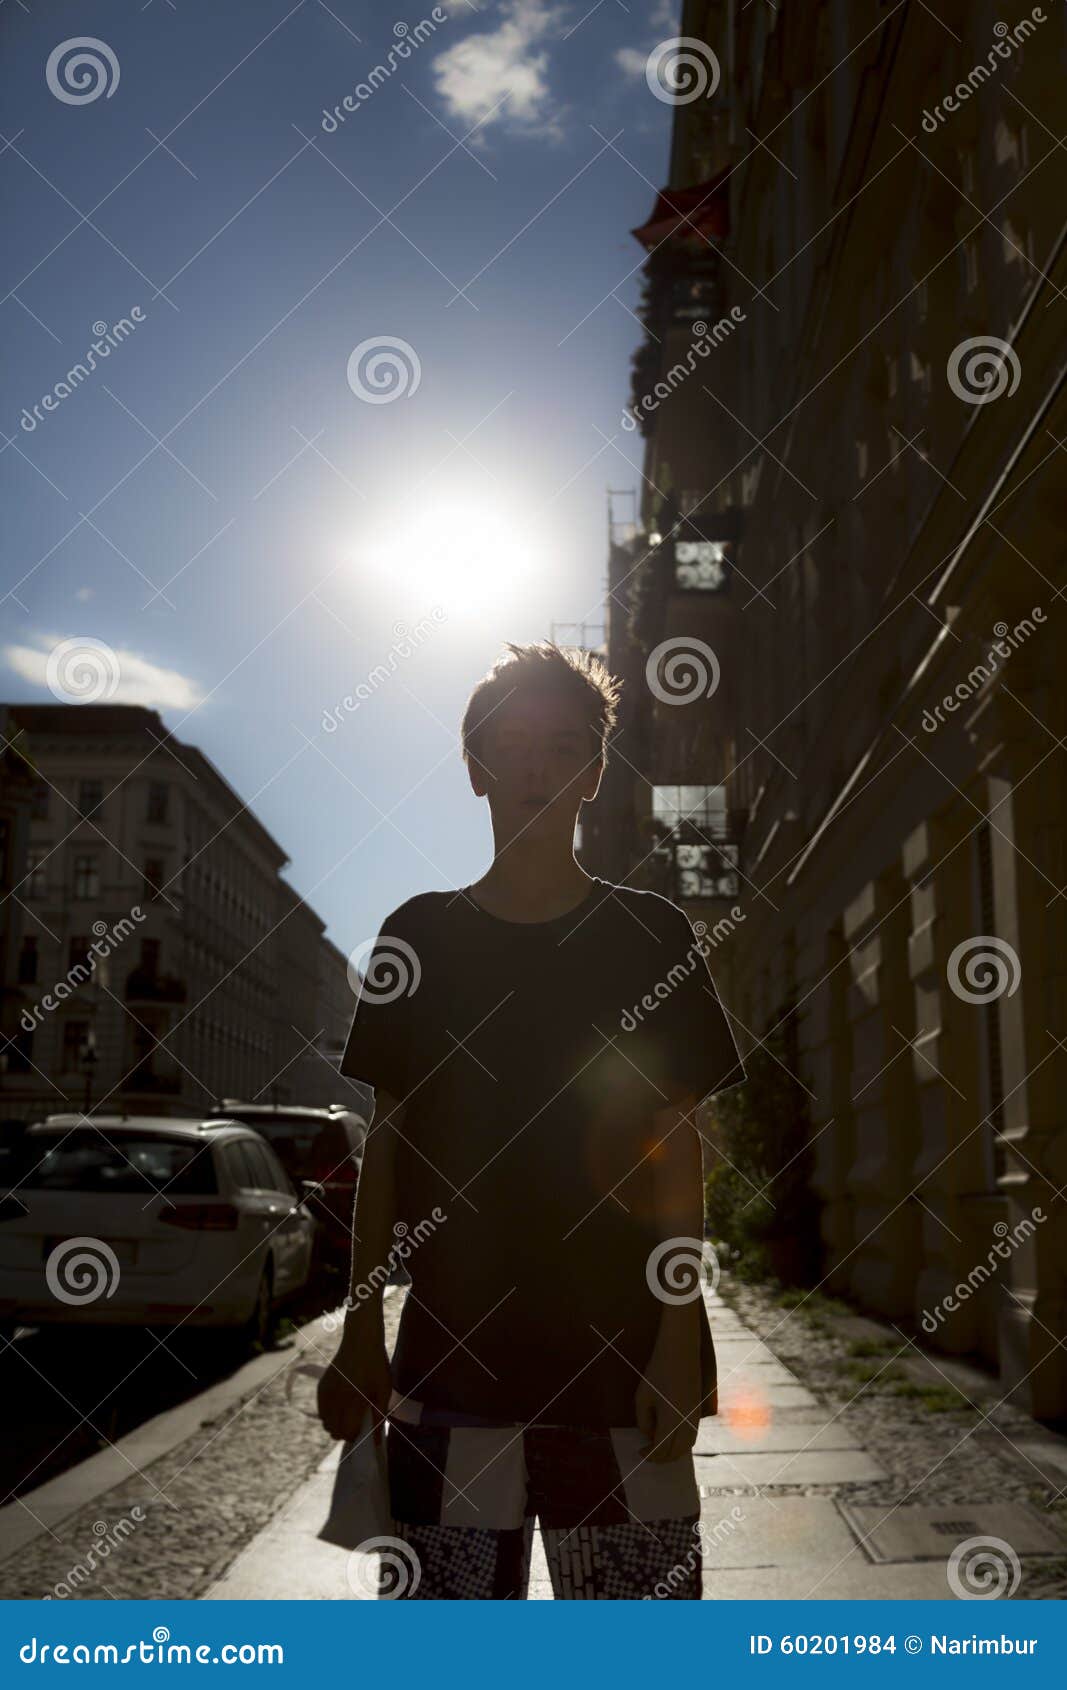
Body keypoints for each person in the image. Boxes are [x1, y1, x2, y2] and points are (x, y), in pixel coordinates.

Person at [317, 641, 746, 1599]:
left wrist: (682, 1336)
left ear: (595, 772)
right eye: (508, 745)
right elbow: (387, 1146)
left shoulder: (650, 937)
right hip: (449, 1371)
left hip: (624, 1370)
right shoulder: (418, 936)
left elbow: (676, 1150)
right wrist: (359, 1330)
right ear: (474, 767)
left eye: (561, 747)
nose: (534, 769)